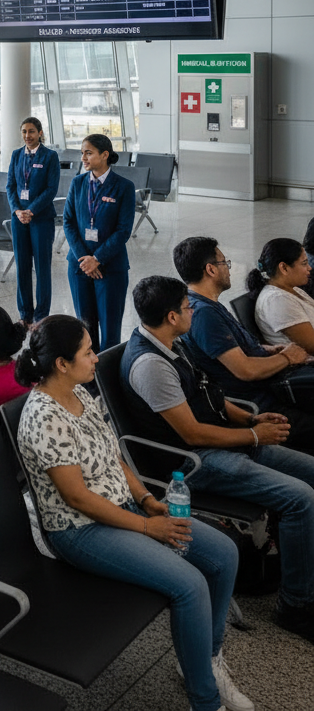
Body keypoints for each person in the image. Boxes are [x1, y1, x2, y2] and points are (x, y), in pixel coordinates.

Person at [16, 315, 251, 711]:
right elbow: (78, 499)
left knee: (224, 553)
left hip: (124, 508)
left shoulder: (81, 393)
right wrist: (148, 527)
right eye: (88, 352)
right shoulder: (43, 417)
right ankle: (205, 700)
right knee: (189, 585)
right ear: (61, 363)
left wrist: (145, 499)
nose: (96, 358)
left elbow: (114, 457)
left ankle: (205, 661)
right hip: (81, 530)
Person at [122, 275, 314, 645]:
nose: (193, 309)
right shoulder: (151, 365)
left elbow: (208, 397)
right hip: (194, 462)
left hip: (229, 439)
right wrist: (254, 436)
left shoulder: (173, 344)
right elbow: (192, 434)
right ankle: (296, 605)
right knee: (300, 498)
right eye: (186, 306)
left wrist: (251, 419)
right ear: (172, 316)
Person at [172, 236, 314, 453]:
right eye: (224, 263)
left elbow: (235, 351)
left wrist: (269, 350)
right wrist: (287, 357)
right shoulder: (203, 314)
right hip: (260, 403)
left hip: (271, 389)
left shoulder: (210, 306)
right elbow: (245, 370)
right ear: (210, 269)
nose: (229, 269)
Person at [62, 133, 135, 352]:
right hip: (79, 267)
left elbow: (123, 231)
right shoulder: (78, 183)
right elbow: (68, 222)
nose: (83, 158)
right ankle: (89, 381)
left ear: (105, 155)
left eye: (88, 153)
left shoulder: (124, 187)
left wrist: (97, 259)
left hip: (110, 268)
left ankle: (106, 381)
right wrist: (85, 259)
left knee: (110, 332)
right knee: (85, 330)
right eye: (82, 153)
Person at [6, 117, 61, 325]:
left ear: (39, 133)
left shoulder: (50, 157)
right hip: (19, 218)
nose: (27, 136)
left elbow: (51, 189)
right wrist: (17, 210)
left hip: (41, 219)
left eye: (31, 131)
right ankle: (25, 314)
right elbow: (10, 186)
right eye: (24, 132)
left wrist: (31, 210)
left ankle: (41, 314)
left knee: (42, 266)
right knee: (22, 266)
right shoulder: (17, 155)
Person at [250, 237, 314, 352]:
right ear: (284, 268)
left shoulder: (292, 289)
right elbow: (311, 345)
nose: (309, 268)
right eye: (304, 263)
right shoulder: (277, 301)